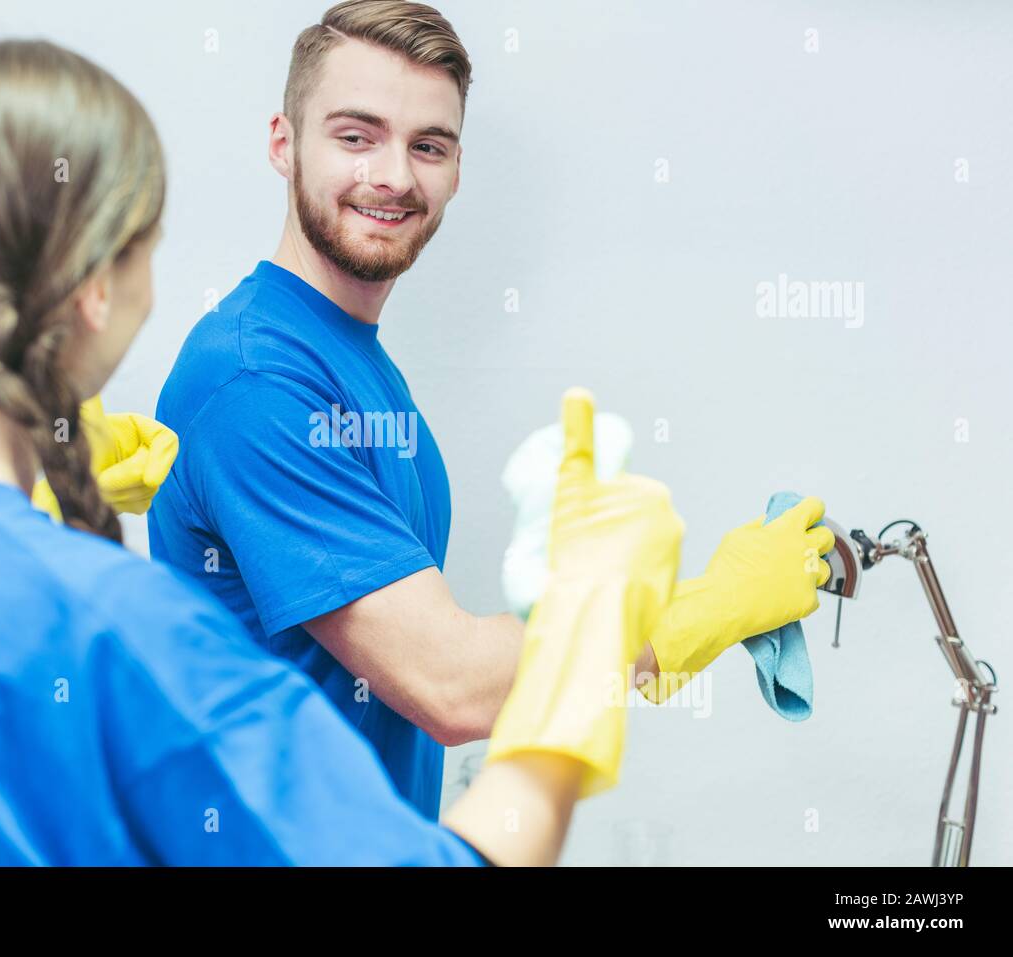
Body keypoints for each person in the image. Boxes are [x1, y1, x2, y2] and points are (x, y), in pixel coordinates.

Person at [0, 38, 688, 866]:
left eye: (429, 143)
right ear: (93, 287)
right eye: (148, 252)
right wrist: (589, 624)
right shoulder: (118, 629)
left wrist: (50, 454)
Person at [147, 0, 836, 820]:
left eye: (427, 145)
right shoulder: (256, 377)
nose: (394, 176)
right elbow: (451, 684)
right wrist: (699, 609)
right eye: (356, 135)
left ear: (457, 169)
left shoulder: (349, 357)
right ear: (284, 144)